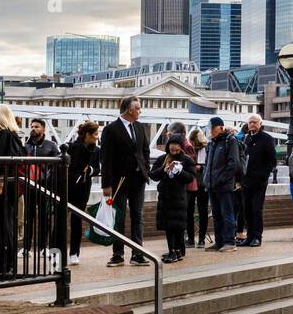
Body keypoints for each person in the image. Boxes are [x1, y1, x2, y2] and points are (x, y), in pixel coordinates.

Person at [101, 96, 150, 266]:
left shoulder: (140, 127)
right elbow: (105, 159)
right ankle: (118, 254)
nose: (140, 111)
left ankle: (138, 254)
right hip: (119, 180)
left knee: (138, 216)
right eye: (138, 108)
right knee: (119, 217)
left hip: (138, 180)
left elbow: (145, 151)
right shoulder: (110, 130)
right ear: (130, 109)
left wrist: (146, 170)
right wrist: (106, 184)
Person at [0, 104, 23, 276]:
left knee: (1, 224)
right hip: (11, 186)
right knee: (7, 223)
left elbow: (1, 160)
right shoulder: (14, 135)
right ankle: (8, 263)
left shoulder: (2, 136)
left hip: (1, 186)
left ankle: (3, 263)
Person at [21, 116, 60, 261]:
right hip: (29, 185)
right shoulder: (26, 146)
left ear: (43, 129)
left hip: (44, 185)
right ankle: (26, 247)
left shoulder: (51, 145)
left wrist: (49, 179)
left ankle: (44, 248)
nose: (33, 129)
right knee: (28, 217)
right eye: (32, 126)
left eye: (36, 126)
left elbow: (57, 165)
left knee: (44, 217)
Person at [203, 116, 242, 252]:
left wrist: (222, 178)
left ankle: (230, 242)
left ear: (220, 127)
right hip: (212, 185)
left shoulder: (230, 141)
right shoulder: (212, 143)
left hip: (224, 185)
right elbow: (208, 164)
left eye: (212, 129)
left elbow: (234, 163)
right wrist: (207, 180)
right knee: (217, 215)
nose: (210, 132)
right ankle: (219, 242)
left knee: (227, 213)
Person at [64, 121, 100, 264]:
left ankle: (74, 253)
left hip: (83, 188)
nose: (97, 137)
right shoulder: (71, 147)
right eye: (95, 134)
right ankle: (56, 251)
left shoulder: (96, 150)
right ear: (87, 134)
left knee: (76, 220)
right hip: (68, 187)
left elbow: (97, 169)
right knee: (61, 220)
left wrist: (90, 170)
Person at [154, 138, 195, 263]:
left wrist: (179, 172)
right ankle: (172, 250)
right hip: (165, 197)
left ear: (181, 147)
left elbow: (191, 177)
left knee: (177, 225)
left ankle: (177, 250)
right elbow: (153, 175)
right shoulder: (162, 159)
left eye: (177, 146)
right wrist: (163, 170)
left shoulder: (186, 159)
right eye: (172, 146)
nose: (174, 149)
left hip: (179, 197)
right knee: (168, 226)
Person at [239, 115, 275, 247]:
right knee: (246, 209)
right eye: (250, 122)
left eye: (255, 122)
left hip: (259, 181)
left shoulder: (267, 139)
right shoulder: (246, 138)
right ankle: (249, 236)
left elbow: (272, 161)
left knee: (256, 209)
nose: (252, 124)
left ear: (260, 123)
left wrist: (263, 175)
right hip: (246, 180)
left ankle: (257, 237)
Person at [187, 128, 211, 247]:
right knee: (189, 211)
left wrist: (200, 168)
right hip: (191, 183)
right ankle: (191, 239)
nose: (193, 145)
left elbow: (209, 165)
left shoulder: (207, 149)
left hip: (201, 184)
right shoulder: (189, 149)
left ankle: (201, 239)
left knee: (202, 211)